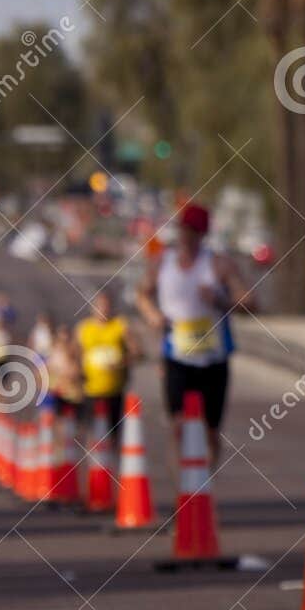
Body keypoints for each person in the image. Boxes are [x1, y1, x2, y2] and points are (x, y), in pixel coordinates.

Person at [136, 202, 256, 475]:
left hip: (213, 357)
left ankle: (204, 479)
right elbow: (142, 293)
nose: (187, 236)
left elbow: (250, 301)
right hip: (176, 355)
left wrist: (221, 300)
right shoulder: (163, 263)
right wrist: (152, 314)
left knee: (211, 429)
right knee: (178, 423)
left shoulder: (218, 264)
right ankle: (183, 484)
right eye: (184, 230)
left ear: (203, 234)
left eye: (194, 231)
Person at [76, 288, 138, 434]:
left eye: (106, 305)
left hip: (115, 390)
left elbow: (137, 352)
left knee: (113, 434)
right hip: (90, 390)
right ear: (93, 307)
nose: (103, 309)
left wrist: (120, 363)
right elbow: (74, 354)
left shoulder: (120, 325)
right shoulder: (84, 328)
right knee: (91, 433)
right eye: (100, 305)